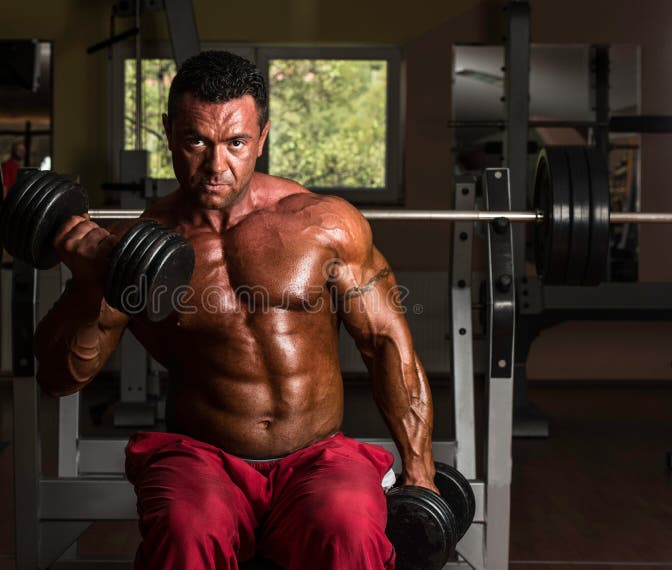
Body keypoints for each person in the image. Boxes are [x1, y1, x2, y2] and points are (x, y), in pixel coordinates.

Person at [35, 50, 436, 570]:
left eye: (236, 143)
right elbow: (59, 377)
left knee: (348, 528)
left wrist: (420, 469)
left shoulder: (325, 225)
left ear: (262, 137)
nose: (215, 167)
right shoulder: (136, 248)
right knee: (185, 533)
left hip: (316, 456)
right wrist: (91, 286)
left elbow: (386, 341)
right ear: (168, 132)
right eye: (196, 141)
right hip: (203, 457)